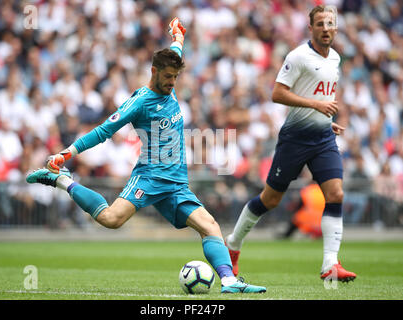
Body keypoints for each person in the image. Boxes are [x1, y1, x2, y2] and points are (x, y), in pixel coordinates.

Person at [26, 18, 266, 294]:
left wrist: (177, 35)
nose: (172, 83)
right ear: (154, 72)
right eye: (168, 78)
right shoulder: (139, 102)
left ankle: (229, 282)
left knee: (211, 227)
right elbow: (104, 130)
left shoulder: (170, 69)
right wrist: (67, 153)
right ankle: (62, 180)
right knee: (111, 219)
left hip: (176, 183)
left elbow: (176, 49)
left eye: (176, 77)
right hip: (149, 178)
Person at [225, 5, 357, 282]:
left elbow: (320, 97)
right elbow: (277, 93)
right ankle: (234, 243)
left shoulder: (335, 58)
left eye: (329, 23)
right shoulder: (298, 56)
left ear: (335, 28)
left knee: (336, 194)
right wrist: (314, 106)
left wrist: (323, 119)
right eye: (319, 23)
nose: (325, 28)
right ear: (311, 28)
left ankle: (330, 264)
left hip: (322, 138)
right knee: (270, 199)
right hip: (295, 139)